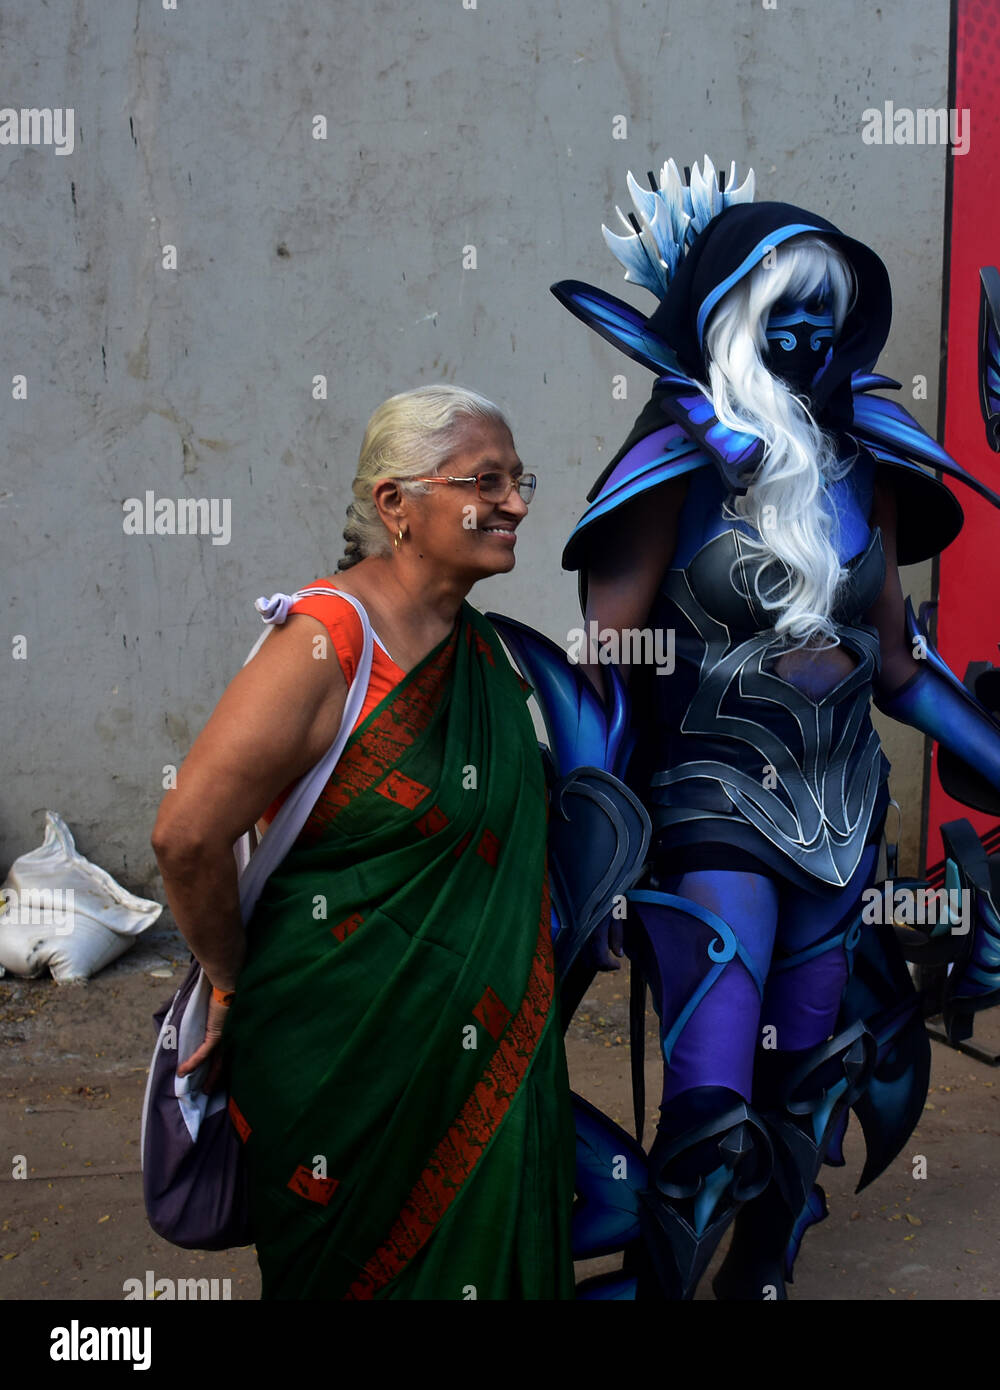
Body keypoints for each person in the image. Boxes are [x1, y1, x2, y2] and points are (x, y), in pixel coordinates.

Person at [552, 161, 1000, 1298]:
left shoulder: (864, 472)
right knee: (714, 1097)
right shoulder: (669, 472)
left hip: (840, 813)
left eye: (822, 318)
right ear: (729, 321)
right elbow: (599, 666)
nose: (804, 337)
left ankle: (763, 1276)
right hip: (711, 807)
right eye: (780, 314)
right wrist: (587, 856)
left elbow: (897, 666)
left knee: (811, 1075)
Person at [150, 385, 575, 1299]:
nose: (516, 503)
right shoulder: (328, 640)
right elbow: (186, 835)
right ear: (396, 505)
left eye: (519, 479)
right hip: (341, 1048)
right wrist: (226, 978)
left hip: (488, 1049)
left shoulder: (485, 654)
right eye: (485, 481)